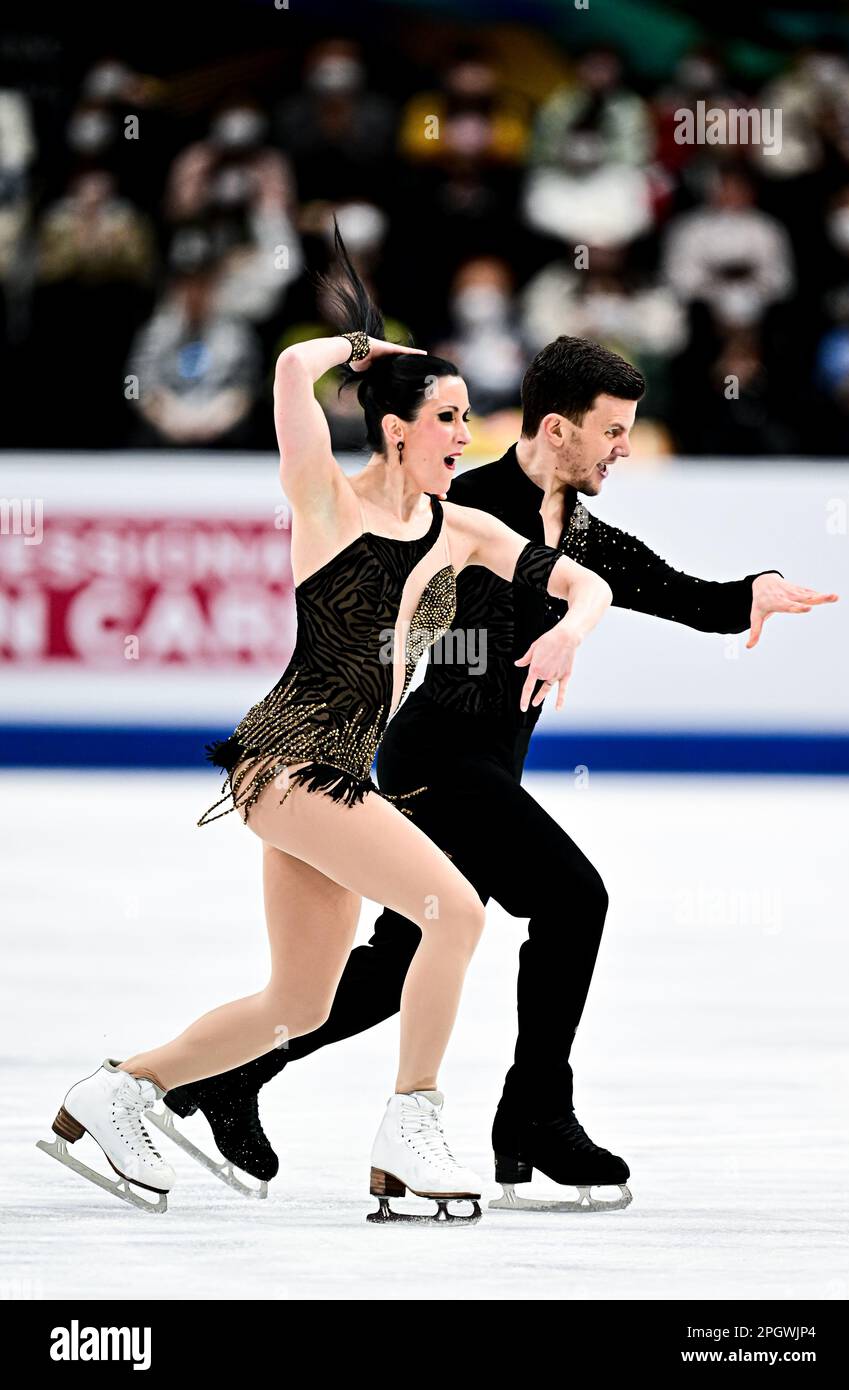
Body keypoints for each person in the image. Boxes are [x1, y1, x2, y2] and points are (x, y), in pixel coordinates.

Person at [161, 335, 838, 1211]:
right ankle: (533, 1117)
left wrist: (753, 590)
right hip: (432, 759)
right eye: (614, 432)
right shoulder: (462, 503)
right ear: (559, 430)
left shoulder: (582, 531)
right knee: (570, 898)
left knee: (390, 965)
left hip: (486, 766)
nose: (626, 449)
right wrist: (523, 639)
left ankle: (226, 1074)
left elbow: (676, 594)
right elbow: (398, 625)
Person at [40, 237, 614, 1220]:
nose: (462, 434)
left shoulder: (463, 530)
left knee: (299, 1002)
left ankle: (120, 1090)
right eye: (446, 417)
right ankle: (409, 1121)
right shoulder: (326, 500)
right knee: (454, 911)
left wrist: (568, 629)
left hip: (341, 773)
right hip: (290, 760)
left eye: (466, 418)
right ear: (394, 428)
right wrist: (356, 343)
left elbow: (583, 580)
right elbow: (287, 371)